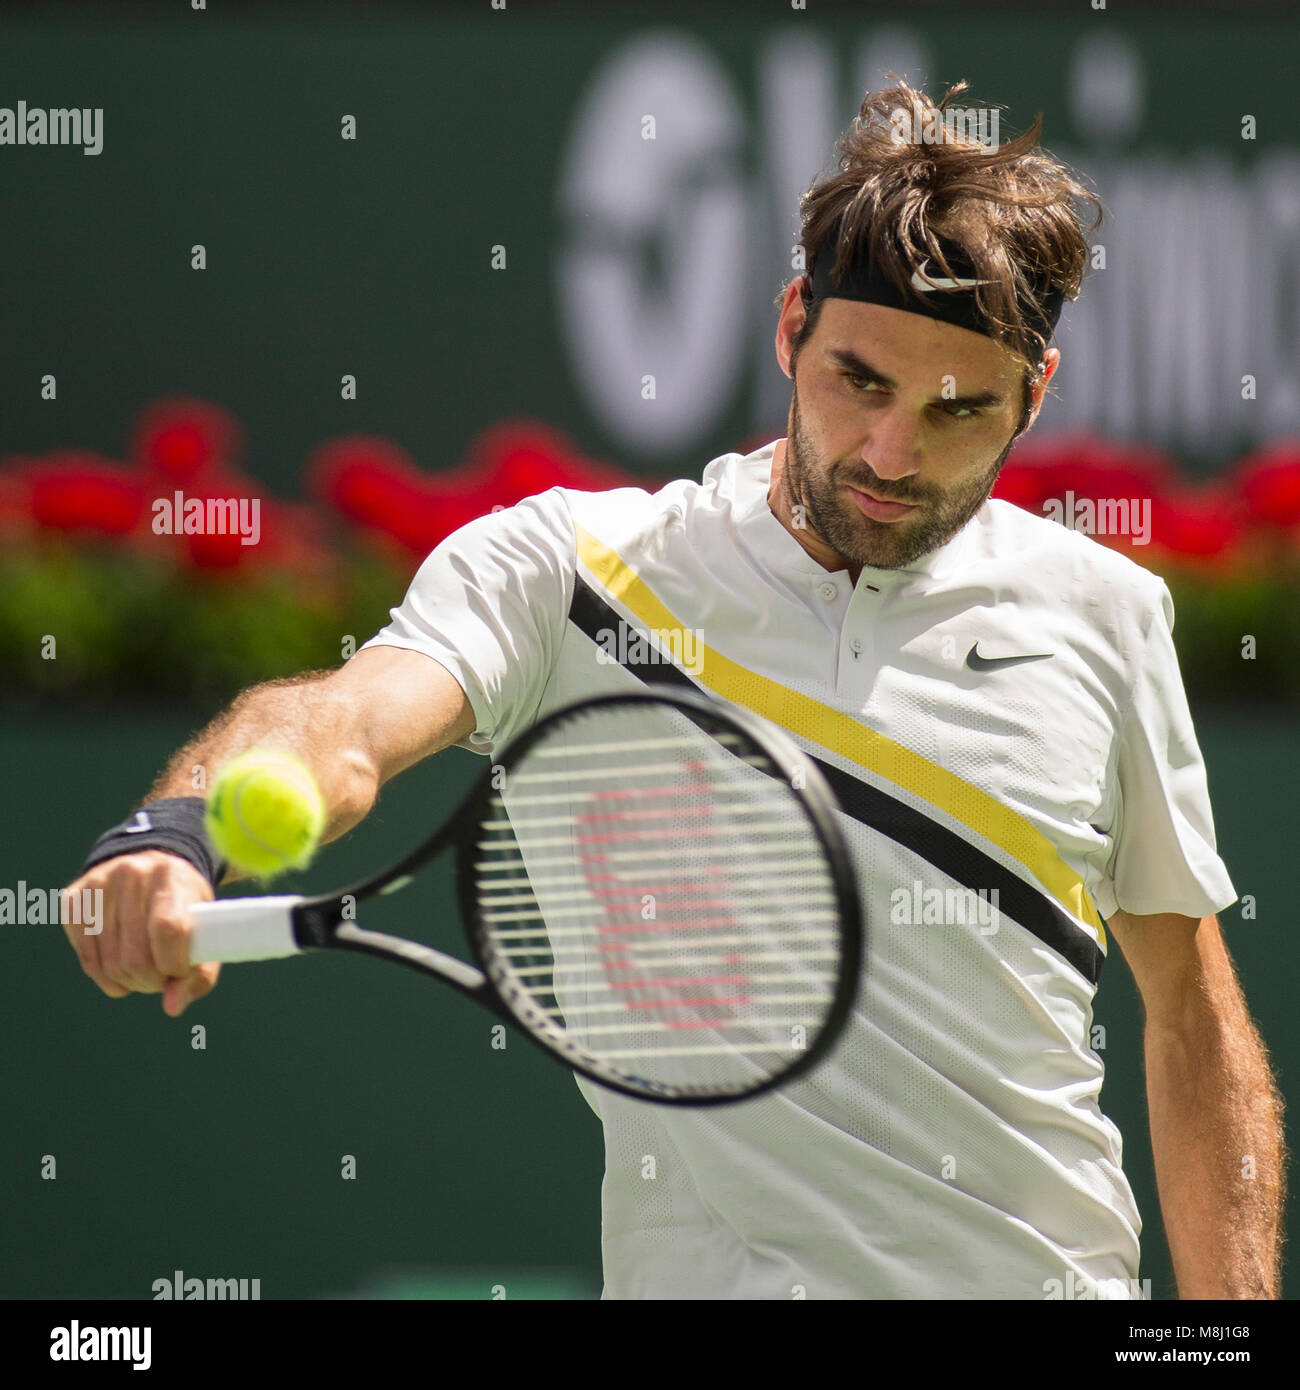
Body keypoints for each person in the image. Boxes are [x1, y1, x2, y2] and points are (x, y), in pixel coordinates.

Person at [65, 79, 1283, 1300]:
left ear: (1036, 393)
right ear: (791, 325)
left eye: (958, 410)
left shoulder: (1103, 614)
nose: (891, 456)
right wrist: (179, 833)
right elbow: (339, 723)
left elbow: (1187, 1005)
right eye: (860, 381)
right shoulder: (571, 573)